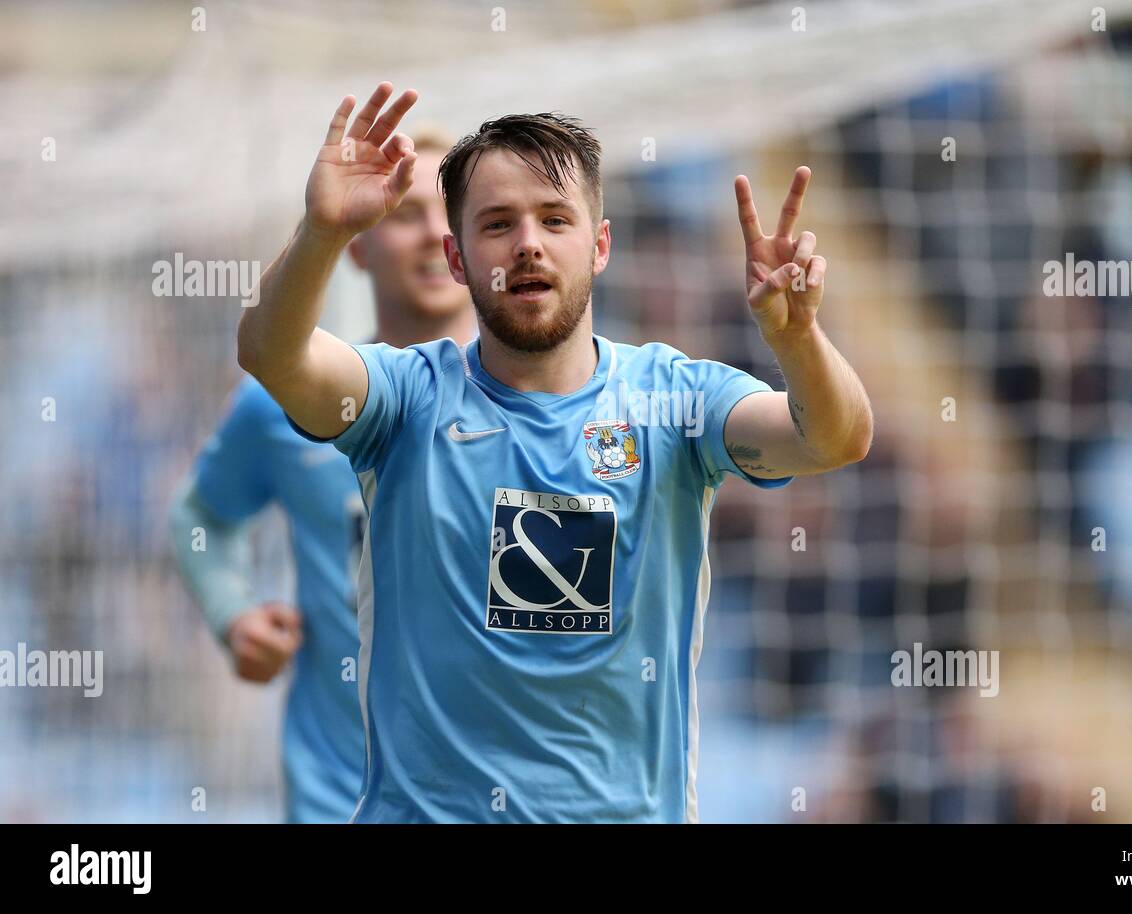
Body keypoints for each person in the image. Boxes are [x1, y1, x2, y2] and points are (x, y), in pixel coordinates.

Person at [236, 82, 873, 823]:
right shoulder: (403, 399)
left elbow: (835, 438)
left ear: (599, 245)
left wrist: (797, 340)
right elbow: (272, 355)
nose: (528, 243)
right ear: (457, 257)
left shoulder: (675, 402)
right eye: (498, 223)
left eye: (556, 219)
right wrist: (319, 233)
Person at [168, 125, 475, 823]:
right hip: (339, 797)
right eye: (405, 215)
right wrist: (232, 612)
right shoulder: (282, 403)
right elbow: (199, 517)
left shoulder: (542, 406)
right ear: (359, 242)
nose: (434, 235)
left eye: (450, 215)